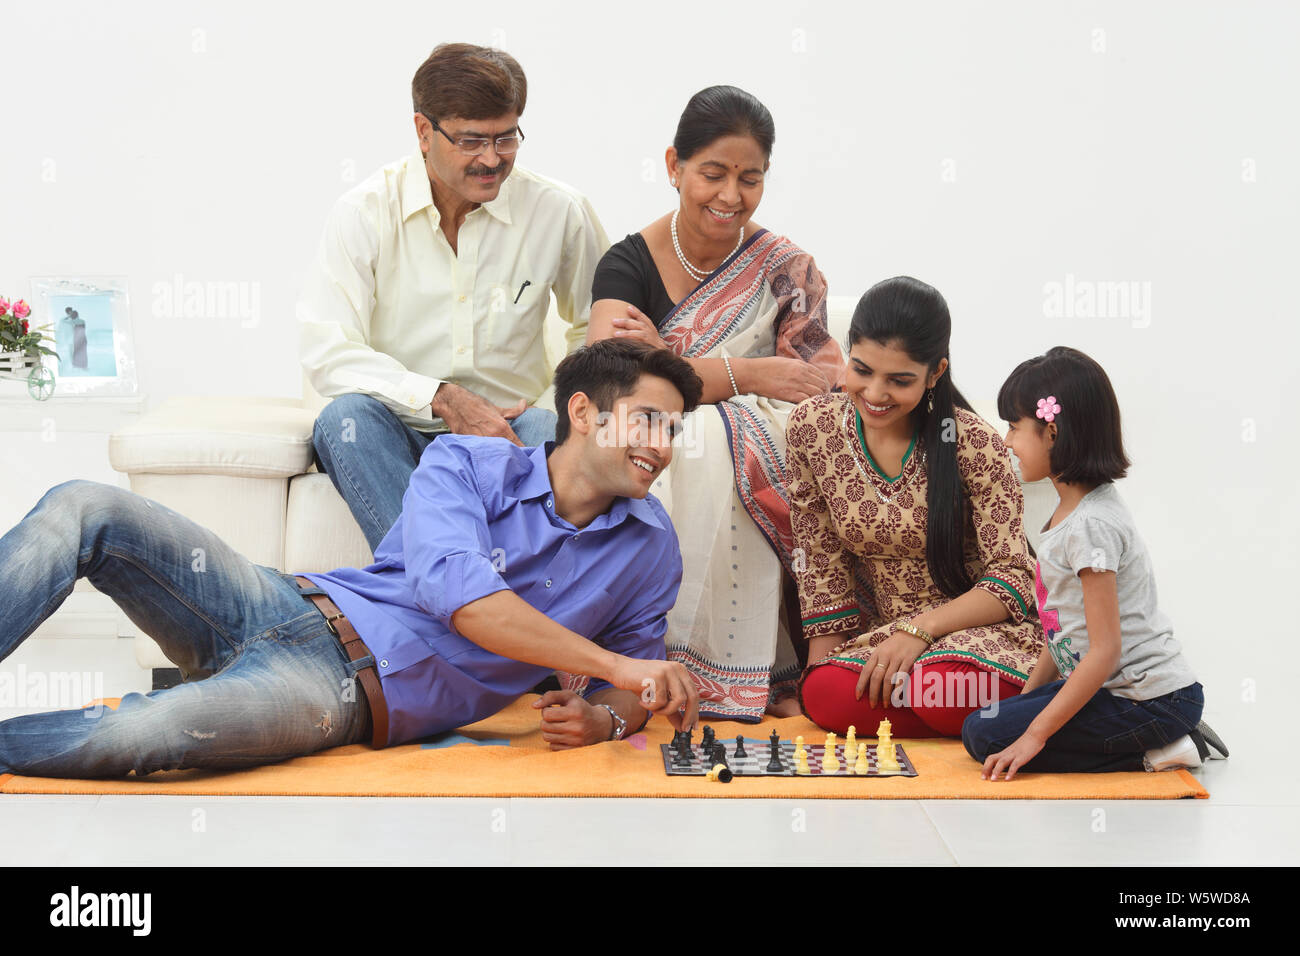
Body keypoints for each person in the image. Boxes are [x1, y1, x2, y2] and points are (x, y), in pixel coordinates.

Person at [0, 340, 702, 778]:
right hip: (277, 600)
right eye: (649, 420)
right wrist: (615, 669)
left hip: (338, 696)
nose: (663, 444)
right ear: (584, 413)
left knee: (149, 729)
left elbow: (633, 673)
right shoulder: (467, 462)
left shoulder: (649, 548)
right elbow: (462, 598)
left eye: (674, 429)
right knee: (84, 505)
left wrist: (605, 718)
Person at [585, 86, 845, 721]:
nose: (731, 195)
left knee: (719, 437)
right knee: (689, 438)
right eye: (714, 174)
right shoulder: (627, 265)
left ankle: (750, 675)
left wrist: (677, 369)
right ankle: (650, 664)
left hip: (753, 439)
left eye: (749, 178)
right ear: (674, 166)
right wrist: (750, 373)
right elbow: (613, 383)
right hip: (654, 430)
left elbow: (812, 387)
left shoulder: (786, 268)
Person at [300, 42, 610, 551]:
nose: (492, 159)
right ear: (424, 132)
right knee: (344, 420)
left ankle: (441, 597)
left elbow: (597, 325)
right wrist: (442, 398)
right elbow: (326, 348)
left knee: (562, 432)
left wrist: (547, 402)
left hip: (513, 426)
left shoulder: (560, 211)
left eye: (506, 138)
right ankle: (445, 586)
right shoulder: (363, 213)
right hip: (399, 426)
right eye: (471, 141)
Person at [791, 277, 1041, 737]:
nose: (875, 393)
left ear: (935, 372)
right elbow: (820, 563)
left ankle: (1001, 705)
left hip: (978, 635)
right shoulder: (813, 428)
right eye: (862, 370)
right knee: (826, 693)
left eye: (899, 380)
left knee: (939, 685)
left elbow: (1013, 576)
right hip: (890, 646)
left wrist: (920, 631)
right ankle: (992, 716)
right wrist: (818, 677)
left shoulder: (973, 444)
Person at [962, 347, 1227, 778]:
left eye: (1013, 427)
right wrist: (1022, 706)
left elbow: (1104, 650)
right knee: (987, 725)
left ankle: (1169, 745)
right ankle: (1160, 736)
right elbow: (1061, 631)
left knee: (985, 736)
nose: (1006, 441)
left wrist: (1031, 734)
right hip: (1114, 691)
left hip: (1150, 700)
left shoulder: (1090, 525)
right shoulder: (1068, 513)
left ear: (1052, 432)